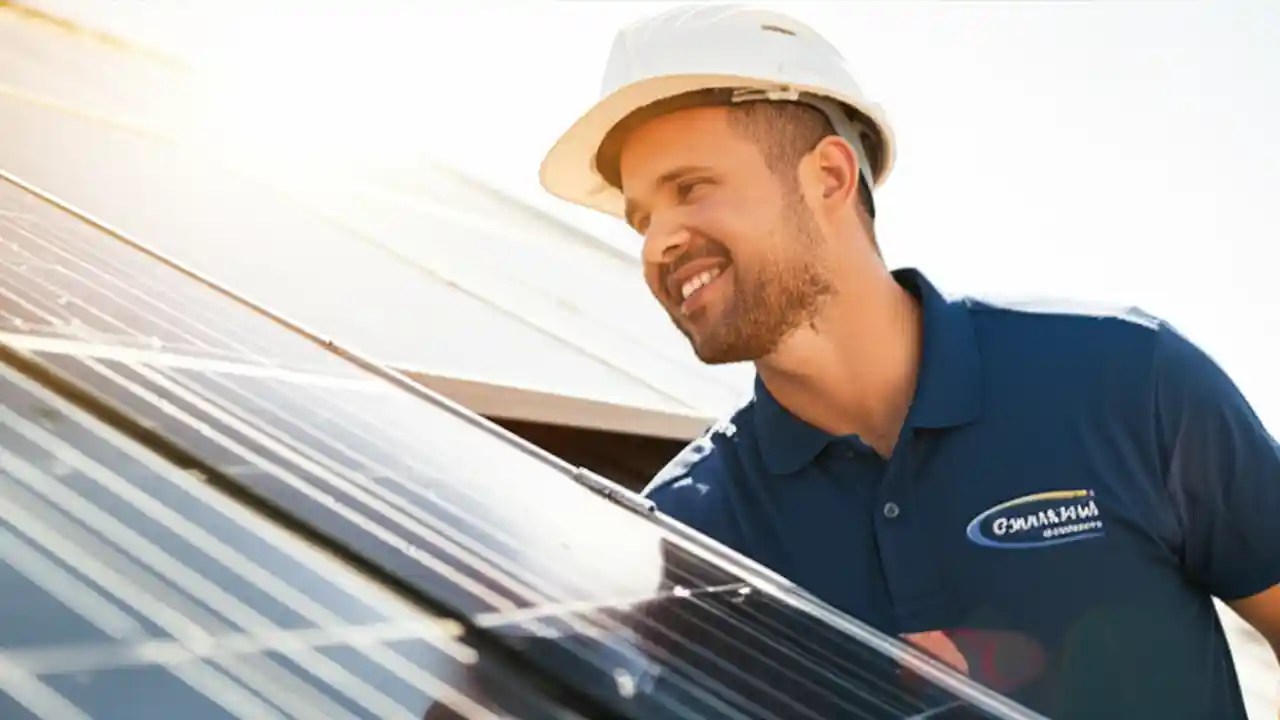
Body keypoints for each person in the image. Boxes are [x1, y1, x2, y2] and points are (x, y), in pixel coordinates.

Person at [538, 4, 1280, 718]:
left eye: (689, 189)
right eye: (641, 218)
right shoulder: (685, 530)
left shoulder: (1128, 378)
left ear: (829, 177)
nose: (656, 242)